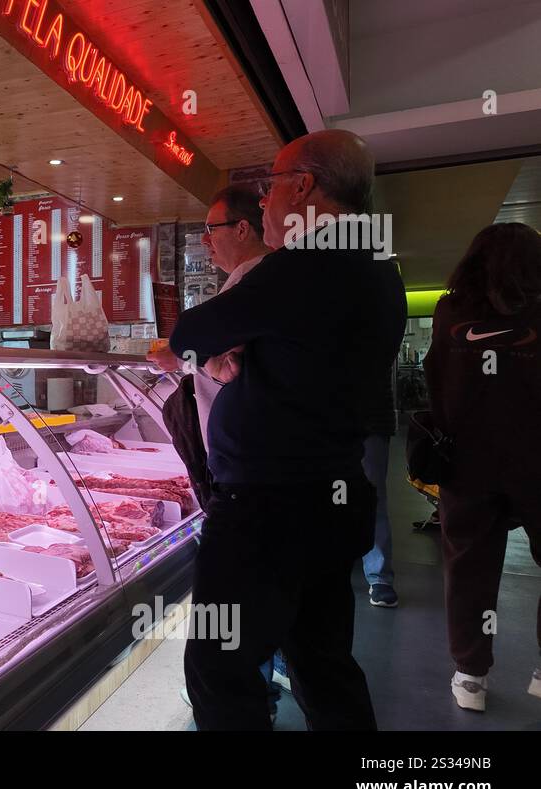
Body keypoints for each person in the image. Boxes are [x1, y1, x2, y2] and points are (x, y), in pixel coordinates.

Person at [161, 129, 406, 730]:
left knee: (220, 670)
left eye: (271, 187)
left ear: (303, 186)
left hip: (268, 510)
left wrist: (198, 351)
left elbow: (189, 335)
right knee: (322, 664)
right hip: (330, 496)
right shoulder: (377, 266)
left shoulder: (308, 263)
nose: (265, 202)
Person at [157, 185, 285, 721]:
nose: (205, 243)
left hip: (249, 481)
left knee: (220, 644)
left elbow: (211, 355)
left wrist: (185, 355)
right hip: (267, 476)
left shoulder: (256, 282)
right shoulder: (258, 282)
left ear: (242, 228)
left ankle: (250, 693)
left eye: (211, 230)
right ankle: (263, 679)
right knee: (273, 617)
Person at [423, 222, 541, 711]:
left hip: (466, 463)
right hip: (536, 459)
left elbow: (432, 382)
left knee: (468, 568)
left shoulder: (450, 311)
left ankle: (471, 678)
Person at [362, 359, 399, 607]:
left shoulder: (379, 320)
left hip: (369, 418)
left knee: (372, 497)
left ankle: (380, 577)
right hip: (322, 417)